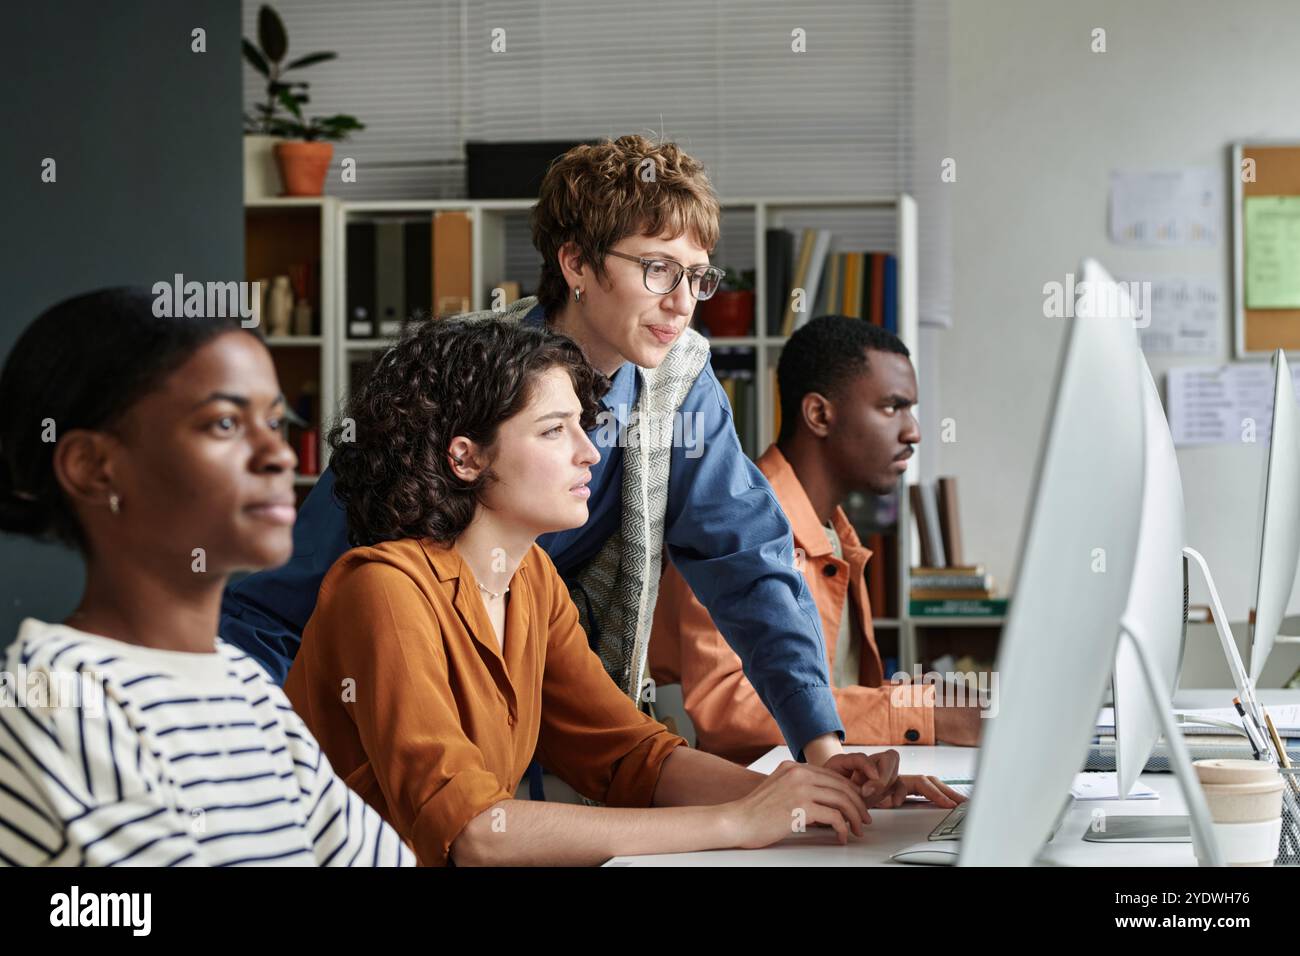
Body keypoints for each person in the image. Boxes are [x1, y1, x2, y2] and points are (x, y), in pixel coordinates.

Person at [223, 135, 854, 768]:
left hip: (566, 722)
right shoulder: (462, 373)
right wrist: (242, 770)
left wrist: (822, 750)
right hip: (411, 721)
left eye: (696, 276)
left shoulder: (680, 383)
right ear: (577, 263)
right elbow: (287, 599)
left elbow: (746, 562)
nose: (683, 302)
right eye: (657, 269)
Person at [284, 317, 929, 866]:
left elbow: (629, 756)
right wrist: (740, 821)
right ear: (466, 459)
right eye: (553, 430)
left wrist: (807, 793)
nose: (591, 453)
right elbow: (476, 832)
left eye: (582, 425)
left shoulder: (529, 578)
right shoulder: (381, 590)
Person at [0, 288, 412, 866]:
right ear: (93, 467)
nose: (281, 455)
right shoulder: (54, 701)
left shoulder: (246, 687)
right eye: (223, 423)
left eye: (275, 421)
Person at [649, 316, 986, 766]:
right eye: (892, 407)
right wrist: (921, 711)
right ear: (819, 415)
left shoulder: (836, 536)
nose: (913, 432)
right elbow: (729, 706)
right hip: (750, 806)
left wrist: (937, 703)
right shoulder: (730, 531)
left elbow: (828, 691)